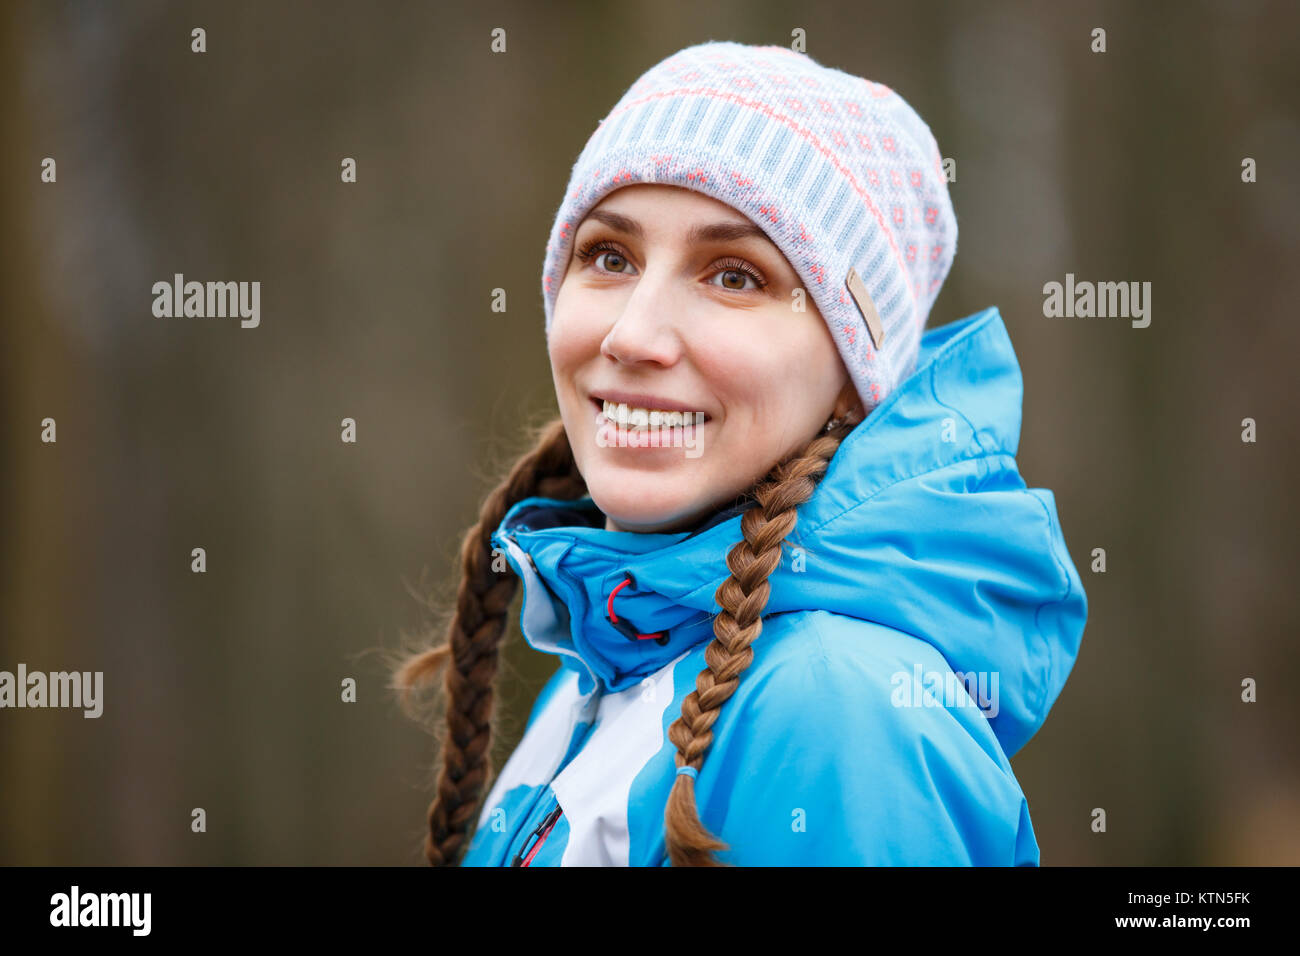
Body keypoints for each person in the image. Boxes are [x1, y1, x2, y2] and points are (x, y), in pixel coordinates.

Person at [392, 39, 1087, 866]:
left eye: (733, 276)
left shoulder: (834, 714)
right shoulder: (608, 671)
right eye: (609, 257)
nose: (633, 334)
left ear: (852, 380)